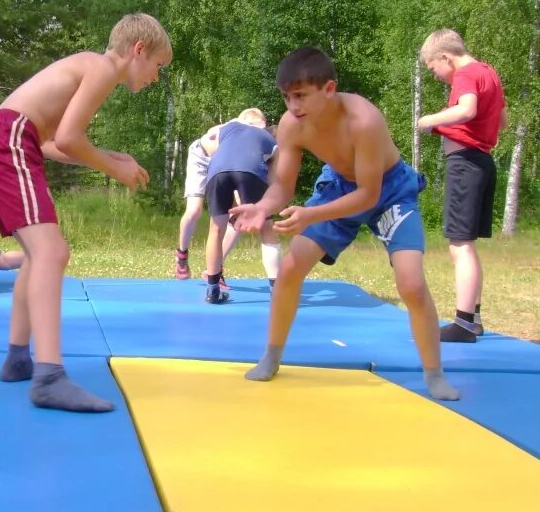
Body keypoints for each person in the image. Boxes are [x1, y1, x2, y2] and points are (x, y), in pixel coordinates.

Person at [0, 12, 171, 413]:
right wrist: (115, 167)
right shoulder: (101, 67)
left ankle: (19, 358)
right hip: (7, 142)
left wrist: (111, 157)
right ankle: (50, 377)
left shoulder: (87, 67)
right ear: (139, 50)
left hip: (8, 141)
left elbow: (54, 144)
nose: (156, 78)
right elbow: (69, 138)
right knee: (52, 253)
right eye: (158, 67)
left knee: (39, 254)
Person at [231, 47, 459, 401]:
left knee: (411, 284)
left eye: (301, 95)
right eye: (287, 97)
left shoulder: (363, 120)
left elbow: (369, 195)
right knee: (290, 268)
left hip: (390, 190)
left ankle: (434, 373)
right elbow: (282, 187)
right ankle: (271, 356)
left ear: (329, 88)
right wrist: (261, 208)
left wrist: (309, 214)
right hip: (339, 183)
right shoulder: (292, 125)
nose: (293, 106)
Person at [417, 29, 507, 343]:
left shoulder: (466, 74)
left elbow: (467, 109)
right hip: (483, 161)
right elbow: (503, 120)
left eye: (433, 68)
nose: (436, 76)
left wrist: (431, 120)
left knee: (460, 245)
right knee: (466, 244)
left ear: (445, 57)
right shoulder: (489, 74)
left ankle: (464, 323)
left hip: (466, 163)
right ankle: (474, 318)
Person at [201, 107, 280, 303]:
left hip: (217, 172)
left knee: (215, 230)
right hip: (252, 171)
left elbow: (208, 138)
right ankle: (277, 290)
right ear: (263, 123)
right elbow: (273, 178)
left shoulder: (227, 127)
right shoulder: (270, 139)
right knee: (267, 227)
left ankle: (212, 290)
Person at [175, 122, 242, 283]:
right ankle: (181, 256)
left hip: (224, 166)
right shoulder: (235, 127)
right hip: (201, 156)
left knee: (238, 218)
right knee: (194, 210)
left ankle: (214, 269)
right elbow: (212, 132)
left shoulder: (254, 144)